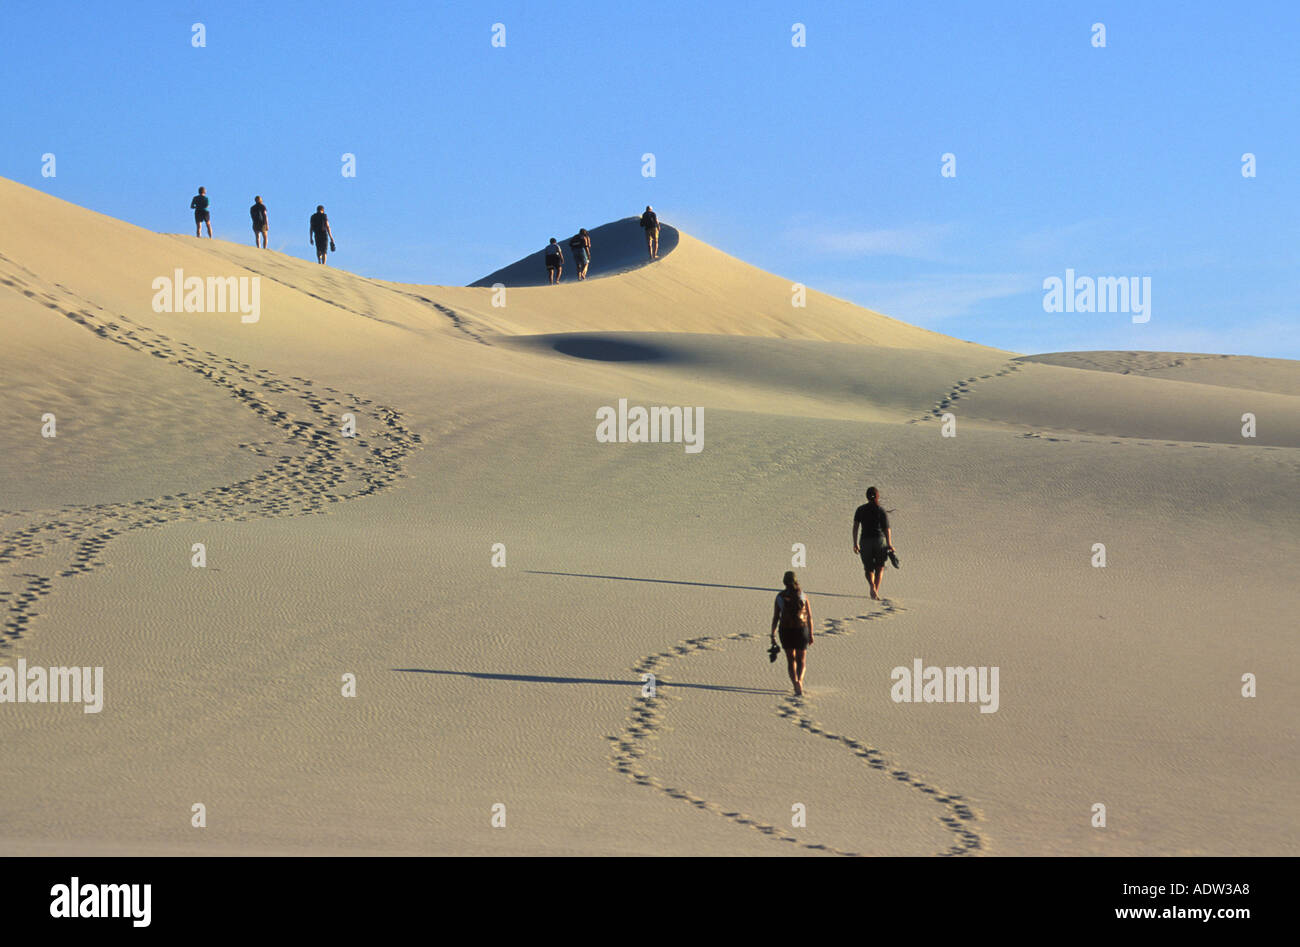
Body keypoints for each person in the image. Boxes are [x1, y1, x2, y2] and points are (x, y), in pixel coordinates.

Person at [771, 571, 813, 696]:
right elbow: (809, 617)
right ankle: (800, 680)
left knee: (790, 660)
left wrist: (772, 634)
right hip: (801, 630)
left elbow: (776, 617)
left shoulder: (780, 597)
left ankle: (795, 683)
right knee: (801, 660)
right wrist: (811, 634)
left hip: (786, 630)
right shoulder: (803, 596)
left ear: (784, 582)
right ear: (796, 581)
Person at [853, 486, 895, 600]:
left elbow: (855, 527)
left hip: (865, 541)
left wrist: (855, 543)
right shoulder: (880, 510)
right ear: (878, 496)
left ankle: (872, 586)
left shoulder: (860, 510)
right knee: (880, 567)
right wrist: (889, 544)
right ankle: (875, 589)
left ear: (866, 496)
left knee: (868, 568)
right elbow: (887, 529)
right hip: (879, 541)